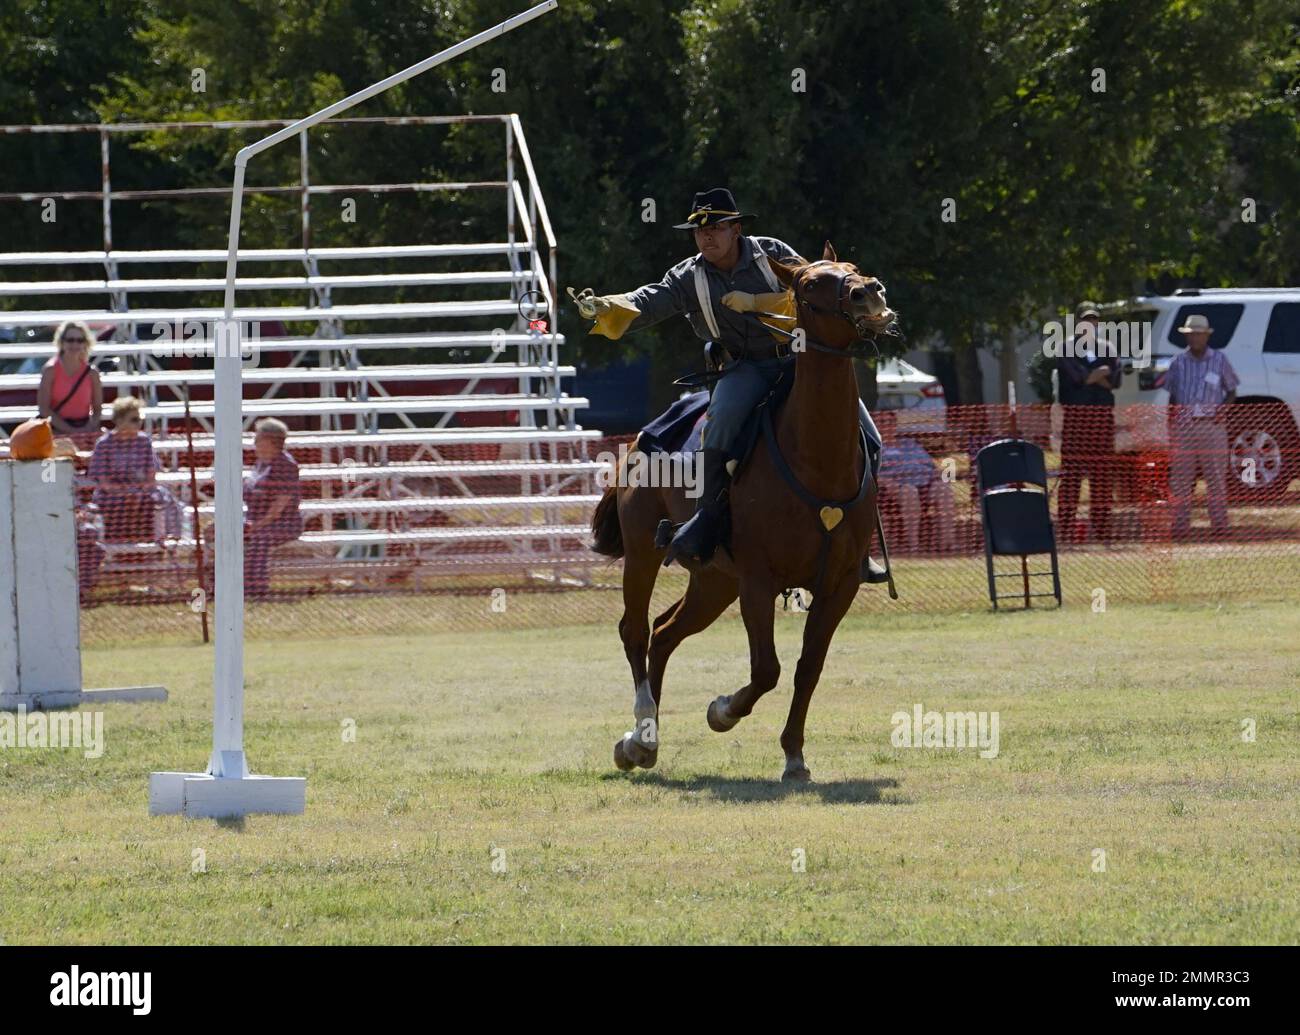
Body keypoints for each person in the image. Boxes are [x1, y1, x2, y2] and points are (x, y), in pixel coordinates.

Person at [568, 187, 887, 582]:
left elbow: (814, 289)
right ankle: (704, 522)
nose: (707, 236)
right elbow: (650, 300)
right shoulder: (688, 277)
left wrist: (756, 303)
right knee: (719, 424)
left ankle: (861, 547)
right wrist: (608, 306)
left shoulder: (773, 252)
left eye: (716, 227)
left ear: (736, 228)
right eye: (699, 230)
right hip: (743, 369)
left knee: (869, 436)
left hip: (796, 360)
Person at [1164, 314, 1239, 539]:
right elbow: (1172, 395)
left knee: (1216, 478)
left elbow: (1232, 390)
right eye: (1191, 334)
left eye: (1199, 334)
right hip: (1183, 427)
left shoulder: (1220, 360)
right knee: (1180, 479)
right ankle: (1180, 527)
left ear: (1206, 336)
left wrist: (1223, 411)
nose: (1195, 338)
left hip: (1212, 427)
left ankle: (1219, 526)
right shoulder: (1177, 362)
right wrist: (1171, 422)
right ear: (1186, 337)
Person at [1056, 303, 1120, 543]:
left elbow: (1115, 381)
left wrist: (1092, 377)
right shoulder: (1066, 348)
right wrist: (1098, 373)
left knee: (1102, 478)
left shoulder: (1108, 348)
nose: (1090, 324)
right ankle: (1066, 529)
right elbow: (1077, 377)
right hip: (1075, 423)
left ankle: (1103, 530)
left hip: (1102, 422)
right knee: (1071, 479)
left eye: (1094, 320)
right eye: (1086, 320)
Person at [877, 412, 957, 554]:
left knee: (944, 490)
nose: (887, 426)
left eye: (890, 422)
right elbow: (870, 473)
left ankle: (948, 543)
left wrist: (938, 476)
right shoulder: (875, 448)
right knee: (910, 491)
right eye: (882, 422)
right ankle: (914, 546)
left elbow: (929, 465)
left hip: (925, 482)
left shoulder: (909, 443)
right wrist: (885, 481)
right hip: (895, 488)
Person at [86, 395, 161, 543]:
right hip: (111, 495)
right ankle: (116, 546)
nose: (139, 423)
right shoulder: (103, 444)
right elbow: (103, 482)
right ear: (119, 420)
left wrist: (136, 492)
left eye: (140, 419)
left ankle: (148, 548)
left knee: (154, 499)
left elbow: (151, 477)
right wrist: (125, 493)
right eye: (134, 419)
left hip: (140, 493)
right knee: (118, 504)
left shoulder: (144, 441)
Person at [242, 417, 303, 599]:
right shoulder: (261, 462)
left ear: (271, 441)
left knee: (260, 538)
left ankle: (255, 590)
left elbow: (277, 509)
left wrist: (255, 526)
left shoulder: (285, 466)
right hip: (255, 520)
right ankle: (218, 585)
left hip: (284, 523)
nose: (255, 442)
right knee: (217, 532)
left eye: (258, 438)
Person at [38, 320, 103, 435]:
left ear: (85, 343)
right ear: (62, 343)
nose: (75, 344)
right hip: (56, 430)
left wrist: (89, 427)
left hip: (84, 428)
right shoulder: (50, 370)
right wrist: (71, 431)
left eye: (80, 340)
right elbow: (44, 409)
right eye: (70, 340)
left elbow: (97, 409)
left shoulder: (92, 373)